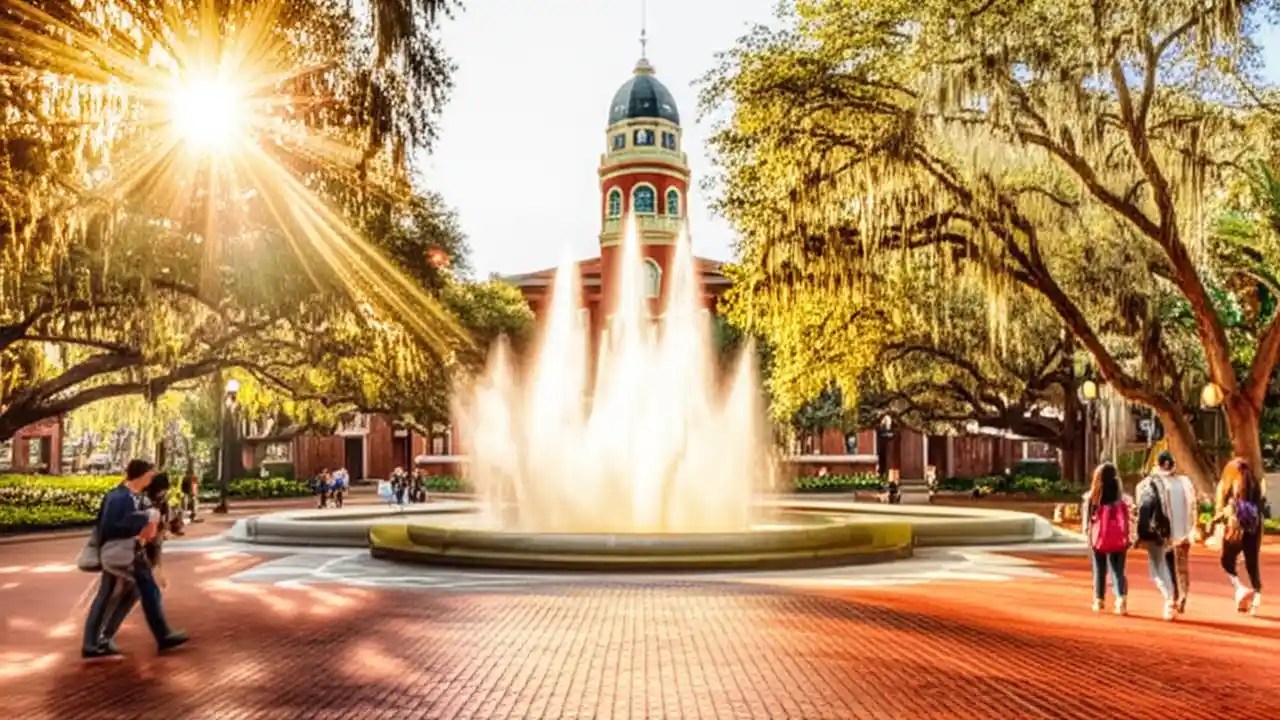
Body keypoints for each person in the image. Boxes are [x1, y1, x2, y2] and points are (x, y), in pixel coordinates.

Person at [81, 460, 187, 659]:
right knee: (139, 590)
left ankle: (99, 640)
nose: (151, 478)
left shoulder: (132, 496)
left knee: (131, 593)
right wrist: (143, 518)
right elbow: (111, 527)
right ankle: (161, 635)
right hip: (120, 552)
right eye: (149, 474)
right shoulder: (118, 497)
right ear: (140, 474)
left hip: (128, 552)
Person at [98, 473, 175, 649]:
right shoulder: (137, 500)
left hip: (133, 554)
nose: (163, 494)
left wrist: (158, 566)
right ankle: (101, 636)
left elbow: (156, 539)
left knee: (128, 594)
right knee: (121, 594)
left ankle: (104, 635)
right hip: (128, 553)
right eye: (162, 490)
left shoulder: (155, 503)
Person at [1209, 458, 1265, 614]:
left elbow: (1223, 510)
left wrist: (1213, 522)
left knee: (1226, 561)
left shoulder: (1229, 484)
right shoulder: (1254, 483)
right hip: (1254, 526)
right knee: (1252, 564)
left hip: (1235, 527)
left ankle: (1239, 588)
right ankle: (1257, 597)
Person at [1081, 463, 1132, 614]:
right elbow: (1129, 518)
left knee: (1099, 569)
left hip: (1099, 538)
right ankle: (1121, 599)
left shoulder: (1092, 497)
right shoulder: (1123, 498)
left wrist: (1087, 535)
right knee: (1118, 570)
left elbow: (1087, 521)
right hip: (1119, 538)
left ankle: (1099, 600)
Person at [1152, 451, 1197, 614]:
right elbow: (1193, 506)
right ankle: (1181, 595)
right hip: (1183, 532)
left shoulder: (1158, 484)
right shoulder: (1185, 482)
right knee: (1181, 567)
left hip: (1168, 534)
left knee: (1168, 566)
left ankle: (1174, 596)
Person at [1135, 461, 1177, 621]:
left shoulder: (1146, 488)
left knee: (1156, 570)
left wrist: (1141, 534)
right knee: (1164, 565)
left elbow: (1144, 511)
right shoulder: (1171, 487)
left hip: (1154, 533)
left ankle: (1169, 599)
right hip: (1168, 532)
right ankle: (1172, 597)